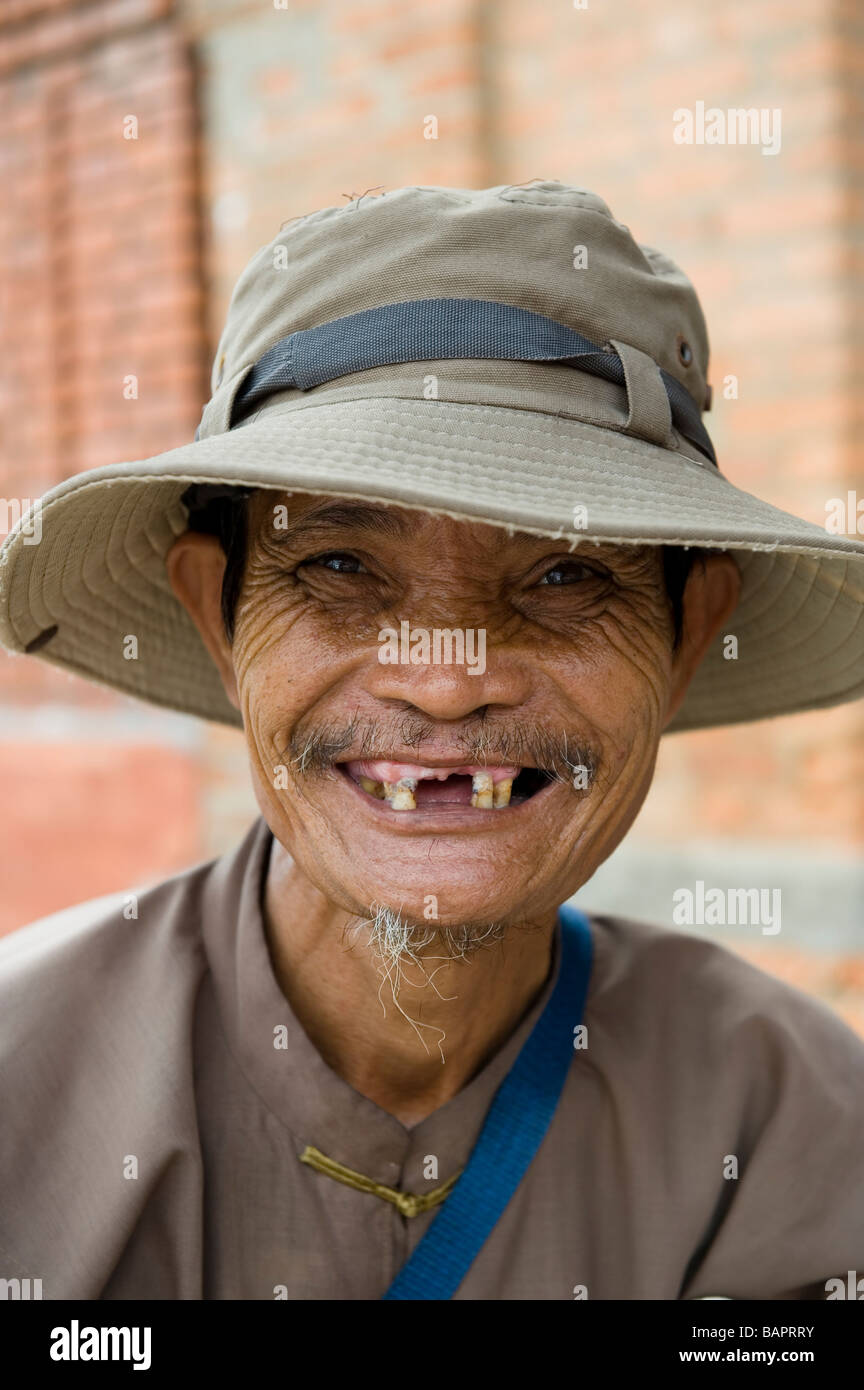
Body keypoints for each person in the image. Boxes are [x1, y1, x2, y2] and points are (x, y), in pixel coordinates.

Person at [1, 181, 862, 1301]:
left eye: (564, 574)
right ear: (218, 619)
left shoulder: (789, 1119)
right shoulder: (25, 1094)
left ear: (690, 637)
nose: (449, 680)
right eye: (341, 569)